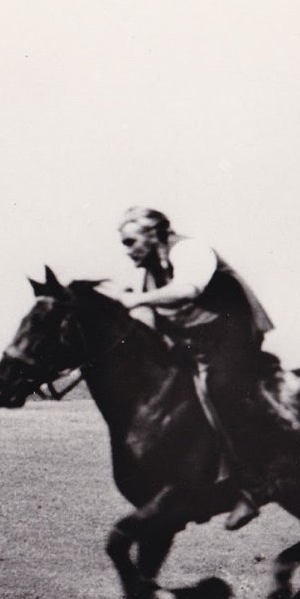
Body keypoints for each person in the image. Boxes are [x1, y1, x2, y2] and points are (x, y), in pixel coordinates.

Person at [114, 206, 275, 531]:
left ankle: (253, 486)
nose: (127, 250)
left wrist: (137, 299)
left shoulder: (189, 249)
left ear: (153, 234)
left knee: (221, 386)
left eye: (130, 241)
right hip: (196, 339)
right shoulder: (150, 272)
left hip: (231, 331)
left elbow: (188, 289)